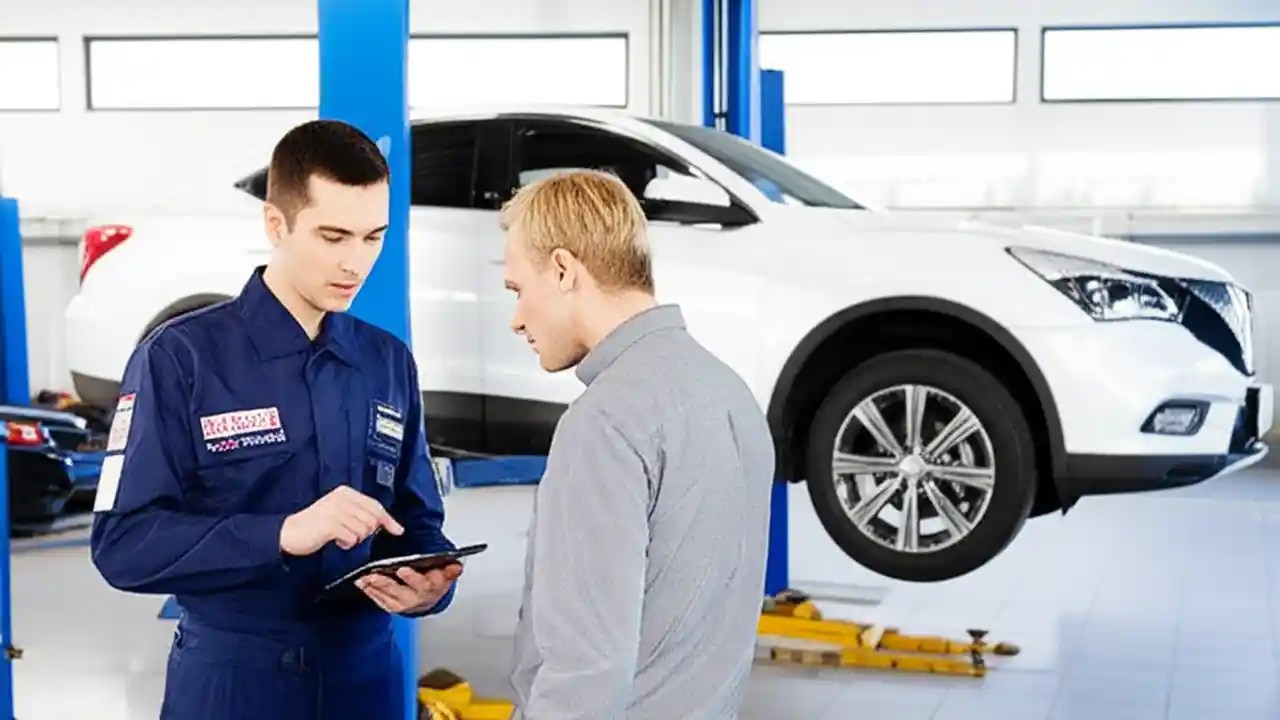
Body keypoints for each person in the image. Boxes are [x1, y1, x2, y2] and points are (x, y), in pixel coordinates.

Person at [89, 119, 461, 720]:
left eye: (373, 237)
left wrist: (427, 586)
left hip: (364, 680)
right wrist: (282, 533)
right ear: (275, 224)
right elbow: (122, 546)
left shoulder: (387, 363)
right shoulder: (180, 359)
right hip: (233, 684)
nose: (355, 263)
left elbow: (416, 524)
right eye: (333, 236)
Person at [499, 169, 776, 719]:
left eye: (517, 290)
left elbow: (586, 669)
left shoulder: (605, 423)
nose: (516, 320)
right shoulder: (728, 393)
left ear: (562, 270)